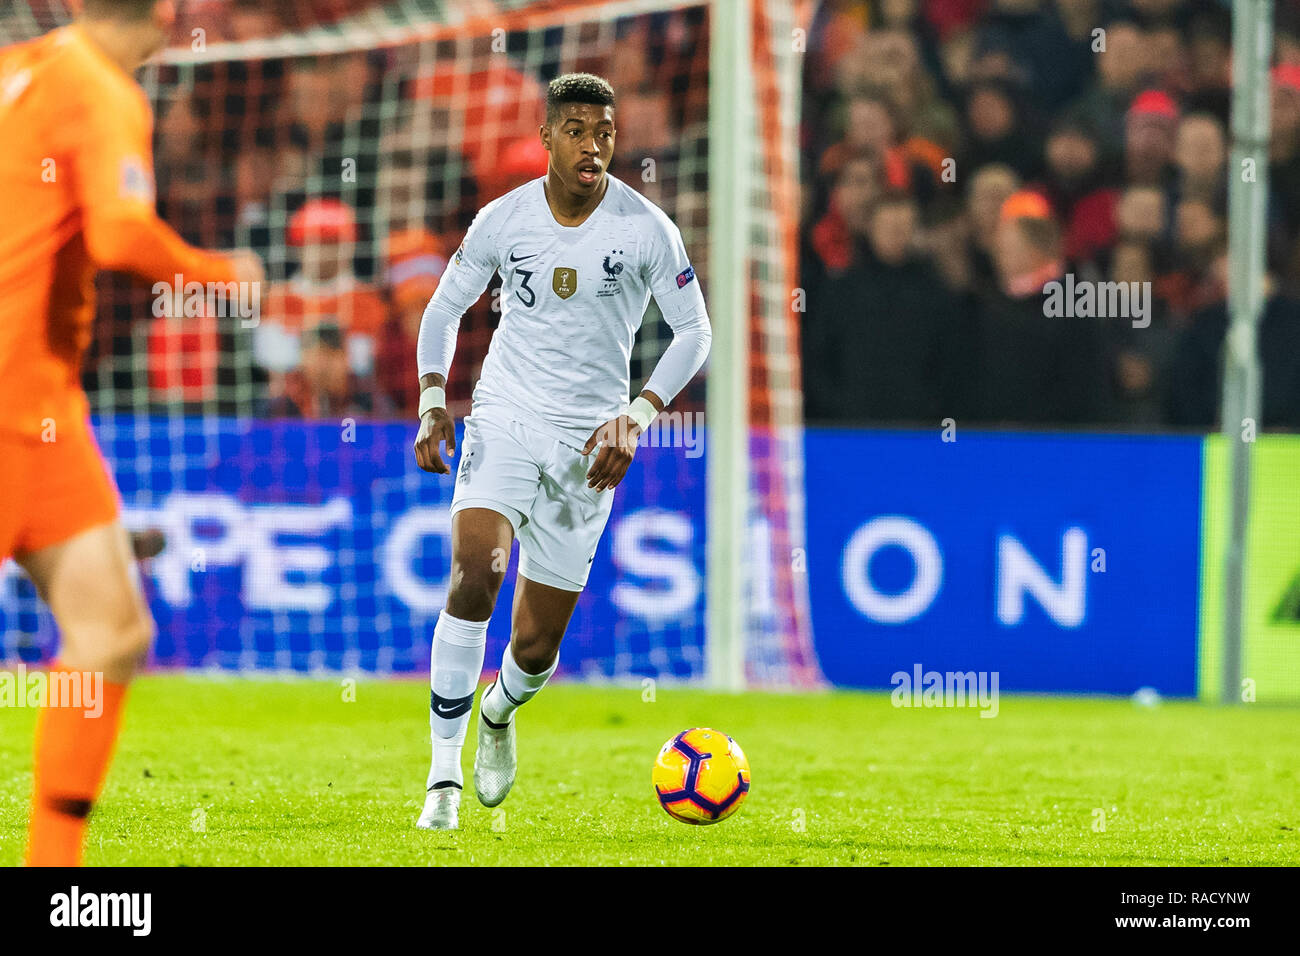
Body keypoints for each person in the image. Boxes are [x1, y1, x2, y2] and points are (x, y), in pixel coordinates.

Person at [410, 73, 711, 829]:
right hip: (507, 414)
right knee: (476, 571)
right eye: (576, 130)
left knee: (536, 646)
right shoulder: (503, 220)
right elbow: (446, 307)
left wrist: (635, 417)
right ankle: (442, 777)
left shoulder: (647, 230)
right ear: (547, 137)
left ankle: (500, 712)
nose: (593, 144)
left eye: (605, 131)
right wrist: (432, 398)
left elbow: (695, 332)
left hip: (590, 442)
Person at [0, 0, 261, 866]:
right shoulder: (104, 90)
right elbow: (117, 232)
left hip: (41, 405)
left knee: (110, 631)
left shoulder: (17, 68)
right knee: (106, 635)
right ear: (165, 10)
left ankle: (51, 873)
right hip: (10, 400)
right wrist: (219, 274)